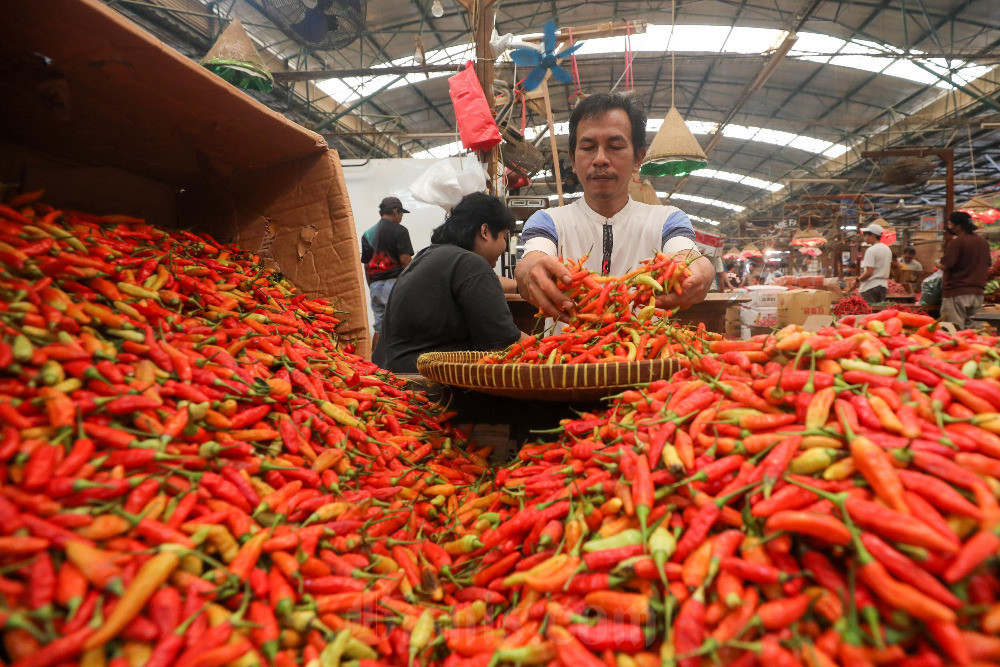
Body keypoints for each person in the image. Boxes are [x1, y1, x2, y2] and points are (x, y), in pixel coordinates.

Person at [515, 92, 714, 320]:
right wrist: (529, 270)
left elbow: (685, 253)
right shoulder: (549, 221)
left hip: (651, 345)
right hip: (570, 342)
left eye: (616, 146)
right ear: (573, 159)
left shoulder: (667, 220)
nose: (600, 159)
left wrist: (699, 268)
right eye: (588, 147)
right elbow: (532, 259)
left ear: (638, 158)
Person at [373, 193, 525, 373]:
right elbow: (504, 344)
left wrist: (519, 285)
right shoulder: (471, 263)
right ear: (485, 231)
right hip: (424, 382)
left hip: (389, 376)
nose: (504, 247)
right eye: (504, 237)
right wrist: (549, 346)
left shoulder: (428, 256)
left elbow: (486, 282)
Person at [360, 196, 413, 350]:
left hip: (375, 286)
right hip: (394, 285)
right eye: (401, 213)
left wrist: (372, 285)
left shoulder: (368, 234)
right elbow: (405, 261)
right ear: (395, 211)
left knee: (379, 328)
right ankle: (401, 362)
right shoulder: (400, 231)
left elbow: (367, 266)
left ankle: (374, 361)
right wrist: (411, 284)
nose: (402, 217)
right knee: (402, 326)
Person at [936, 211, 990, 329]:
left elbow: (945, 265)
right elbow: (988, 264)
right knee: (974, 331)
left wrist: (937, 263)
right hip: (977, 293)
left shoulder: (958, 242)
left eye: (951, 224)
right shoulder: (983, 241)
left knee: (953, 329)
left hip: (957, 292)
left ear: (959, 226)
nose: (949, 227)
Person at [857, 223, 892, 304]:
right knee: (879, 310)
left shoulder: (871, 250)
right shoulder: (887, 249)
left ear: (873, 235)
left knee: (869, 310)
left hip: (870, 286)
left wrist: (858, 280)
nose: (865, 238)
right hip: (883, 287)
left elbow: (869, 273)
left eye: (866, 235)